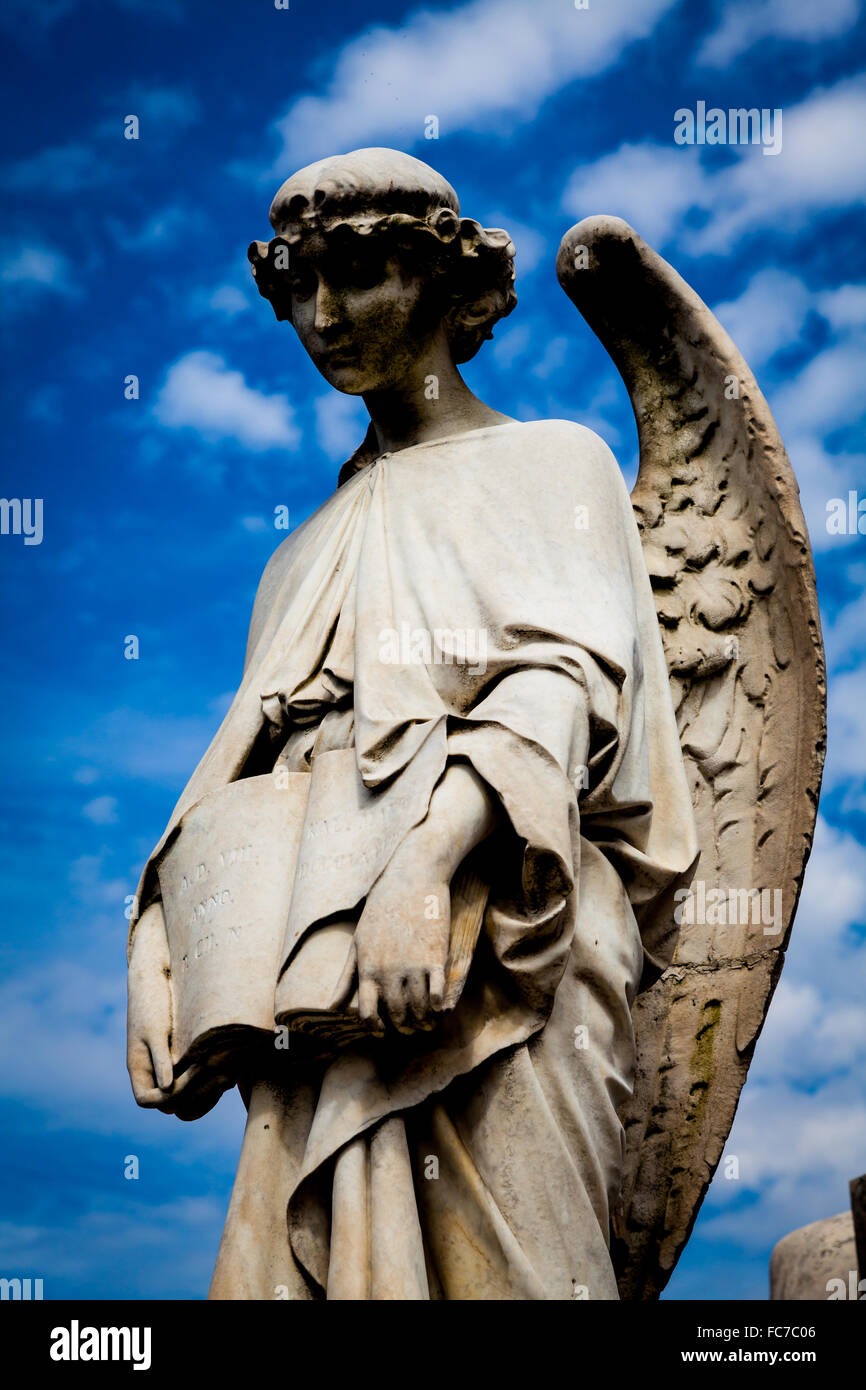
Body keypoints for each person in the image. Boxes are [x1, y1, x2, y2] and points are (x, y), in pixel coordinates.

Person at [127, 147, 697, 1300]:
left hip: (505, 938)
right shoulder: (296, 556)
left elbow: (564, 686)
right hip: (316, 983)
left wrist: (422, 866)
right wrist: (157, 935)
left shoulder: (549, 463)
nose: (322, 314)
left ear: (445, 282)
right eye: (297, 284)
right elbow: (246, 776)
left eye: (358, 272)